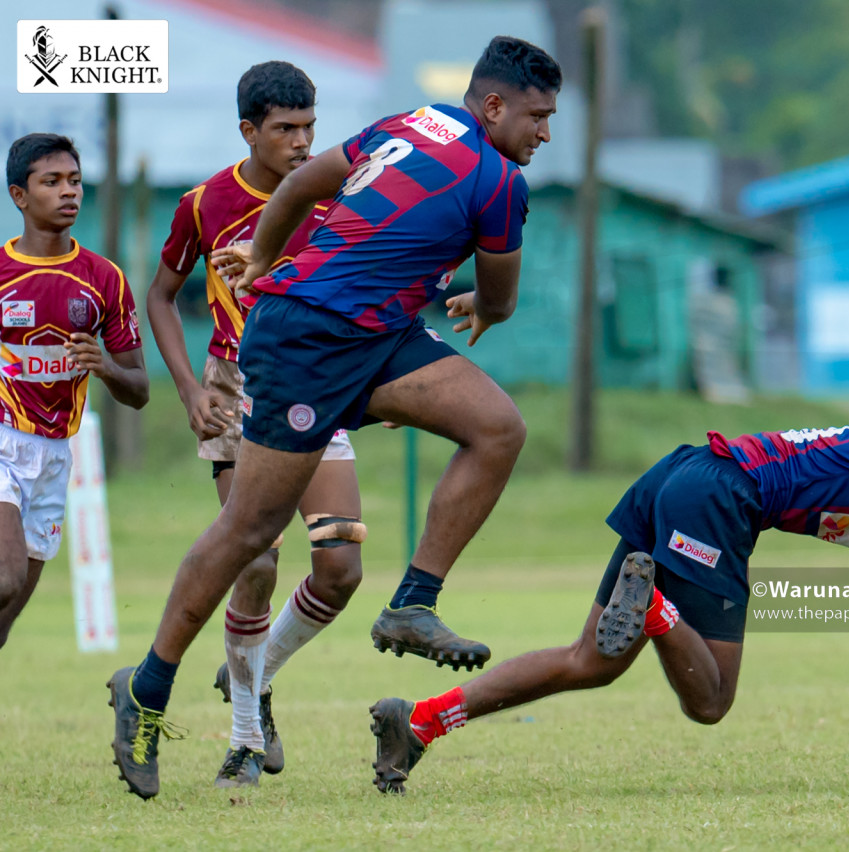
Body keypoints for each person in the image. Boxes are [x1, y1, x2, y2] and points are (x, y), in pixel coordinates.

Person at [108, 35, 561, 800]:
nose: (544, 134)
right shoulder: (500, 183)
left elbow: (304, 186)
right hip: (310, 338)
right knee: (250, 534)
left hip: (378, 337)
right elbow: (504, 300)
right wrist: (480, 307)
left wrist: (260, 256)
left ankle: (414, 605)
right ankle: (146, 690)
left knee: (498, 427)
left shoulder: (411, 121)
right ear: (494, 106)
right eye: (539, 117)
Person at [366, 425, 849, 793]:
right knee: (711, 702)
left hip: (684, 472)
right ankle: (658, 607)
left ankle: (421, 723)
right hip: (718, 498)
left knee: (592, 662)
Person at [146, 61, 364, 789]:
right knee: (259, 561)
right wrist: (186, 389)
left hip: (316, 386)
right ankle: (243, 737)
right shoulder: (205, 203)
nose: (302, 143)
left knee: (340, 569)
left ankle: (255, 672)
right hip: (236, 390)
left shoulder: (340, 196)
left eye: (310, 127)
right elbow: (162, 295)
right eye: (285, 130)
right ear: (249, 130)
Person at [0, 133, 147, 648]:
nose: (70, 192)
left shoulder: (104, 279)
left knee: (4, 620)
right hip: (2, 440)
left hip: (56, 456)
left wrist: (105, 368)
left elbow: (140, 390)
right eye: (52, 182)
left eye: (76, 181)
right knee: (4, 578)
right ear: (20, 196)